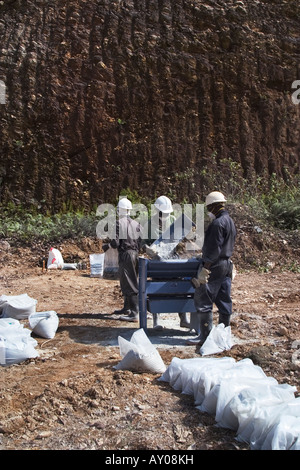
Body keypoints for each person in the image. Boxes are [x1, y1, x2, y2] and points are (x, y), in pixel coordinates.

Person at [187, 191, 236, 345]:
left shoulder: (217, 224)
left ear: (214, 206)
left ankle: (205, 336)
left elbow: (214, 248)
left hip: (214, 266)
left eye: (209, 207)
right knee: (223, 299)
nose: (209, 211)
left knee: (204, 298)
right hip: (226, 264)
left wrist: (205, 269)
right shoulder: (230, 221)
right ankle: (223, 334)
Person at [142, 195, 190, 329]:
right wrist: (148, 249)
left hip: (172, 260)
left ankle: (183, 318)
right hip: (157, 262)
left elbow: (180, 240)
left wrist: (181, 244)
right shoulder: (149, 225)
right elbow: (143, 244)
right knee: (156, 290)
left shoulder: (174, 221)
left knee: (179, 287)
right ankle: (156, 321)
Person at [103, 197, 143, 322]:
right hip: (135, 254)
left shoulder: (119, 223)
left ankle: (134, 313)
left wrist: (107, 246)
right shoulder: (137, 224)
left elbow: (115, 243)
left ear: (119, 210)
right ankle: (127, 308)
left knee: (128, 282)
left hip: (126, 255)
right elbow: (141, 241)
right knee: (130, 280)